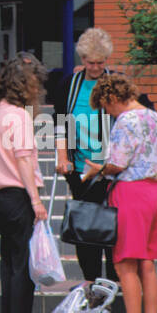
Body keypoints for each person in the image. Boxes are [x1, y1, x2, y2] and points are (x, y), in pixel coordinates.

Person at [85, 72, 157, 313]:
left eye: (106, 107)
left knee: (124, 263)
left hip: (131, 193)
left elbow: (118, 164)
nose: (108, 113)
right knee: (148, 264)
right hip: (155, 193)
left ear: (111, 98)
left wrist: (97, 168)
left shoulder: (126, 120)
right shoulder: (154, 117)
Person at [0, 59, 46, 313]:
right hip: (19, 194)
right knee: (23, 265)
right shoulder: (20, 116)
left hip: (1, 197)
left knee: (8, 265)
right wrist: (36, 200)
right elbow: (23, 159)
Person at [52, 28, 117, 284]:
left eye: (101, 63)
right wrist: (61, 158)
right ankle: (90, 279)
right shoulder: (69, 85)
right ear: (82, 59)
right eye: (91, 62)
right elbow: (60, 123)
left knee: (111, 225)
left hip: (109, 167)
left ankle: (113, 279)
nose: (96, 67)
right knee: (84, 225)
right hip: (78, 166)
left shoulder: (115, 82)